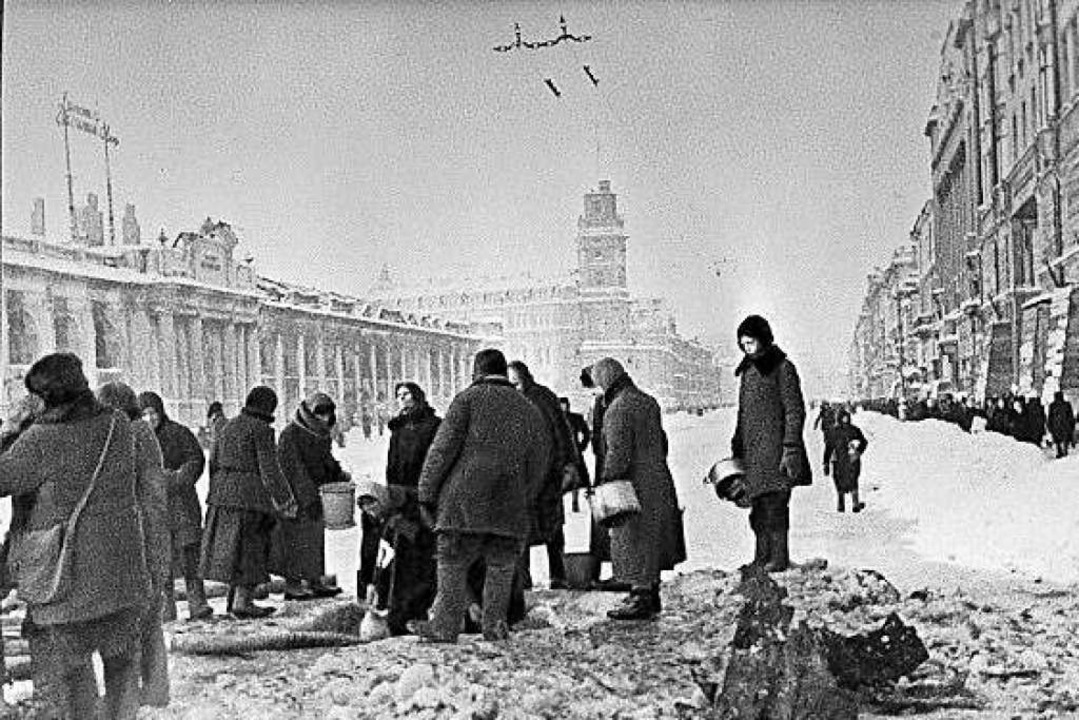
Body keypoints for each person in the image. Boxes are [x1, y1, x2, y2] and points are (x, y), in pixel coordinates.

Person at [0, 353, 152, 719]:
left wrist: (10, 430)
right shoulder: (117, 426)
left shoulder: (40, 439)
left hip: (65, 584)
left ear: (47, 397)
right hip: (122, 578)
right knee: (120, 675)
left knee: (64, 682)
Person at [412, 348, 548, 642]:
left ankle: (445, 627)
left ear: (478, 371)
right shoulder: (528, 408)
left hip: (462, 503)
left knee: (451, 561)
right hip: (509, 505)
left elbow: (442, 450)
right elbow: (540, 461)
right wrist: (524, 495)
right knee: (500, 566)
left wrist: (426, 493)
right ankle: (495, 624)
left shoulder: (468, 400)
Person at [590, 357, 686, 620]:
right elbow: (662, 442)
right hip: (657, 479)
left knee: (634, 539)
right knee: (651, 539)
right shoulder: (647, 401)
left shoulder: (617, 409)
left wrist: (606, 482)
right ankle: (650, 592)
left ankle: (640, 596)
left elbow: (618, 454)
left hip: (633, 485)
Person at [99, 383, 171, 708]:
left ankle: (129, 694)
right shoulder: (142, 434)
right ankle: (155, 689)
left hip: (138, 542)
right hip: (151, 539)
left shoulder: (129, 437)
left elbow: (140, 496)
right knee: (149, 620)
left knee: (129, 623)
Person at [201, 386, 298, 619]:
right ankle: (243, 602)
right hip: (249, 497)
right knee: (250, 549)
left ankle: (233, 600)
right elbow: (270, 470)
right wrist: (286, 500)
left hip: (222, 495)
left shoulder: (227, 426)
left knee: (232, 550)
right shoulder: (261, 429)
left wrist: (216, 491)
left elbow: (213, 461)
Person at [730, 315, 811, 573]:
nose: (746, 348)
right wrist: (737, 444)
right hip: (753, 454)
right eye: (743, 344)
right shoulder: (747, 371)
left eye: (750, 342)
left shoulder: (783, 368)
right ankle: (760, 555)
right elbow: (744, 413)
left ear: (763, 339)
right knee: (757, 509)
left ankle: (778, 556)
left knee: (775, 506)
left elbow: (794, 410)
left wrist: (791, 448)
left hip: (777, 453)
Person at [137, 391, 212, 621]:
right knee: (161, 561)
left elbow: (195, 459)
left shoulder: (178, 433)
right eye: (145, 414)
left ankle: (197, 603)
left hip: (182, 506)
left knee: (190, 556)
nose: (150, 418)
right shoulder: (137, 439)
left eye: (153, 413)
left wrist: (179, 478)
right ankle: (165, 608)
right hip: (154, 509)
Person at [507, 361, 576, 590]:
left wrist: (568, 464)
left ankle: (558, 575)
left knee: (553, 528)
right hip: (522, 477)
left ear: (526, 378)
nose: (514, 387)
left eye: (516, 383)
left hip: (548, 474)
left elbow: (562, 433)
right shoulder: (510, 402)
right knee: (521, 528)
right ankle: (523, 579)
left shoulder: (544, 398)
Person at [272, 392, 347, 601]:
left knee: (314, 541)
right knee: (294, 542)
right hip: (295, 499)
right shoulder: (291, 434)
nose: (325, 418)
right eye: (320, 413)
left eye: (328, 413)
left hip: (315, 495)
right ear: (310, 413)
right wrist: (307, 497)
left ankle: (314, 580)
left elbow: (325, 460)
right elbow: (293, 469)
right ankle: (293, 585)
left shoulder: (320, 434)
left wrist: (338, 473)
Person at [828, 409, 868, 513]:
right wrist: (825, 462)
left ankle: (852, 504)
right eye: (844, 418)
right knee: (844, 480)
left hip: (847, 460)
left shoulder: (851, 430)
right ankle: (844, 503)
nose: (845, 420)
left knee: (848, 479)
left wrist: (857, 452)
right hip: (843, 460)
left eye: (846, 418)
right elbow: (829, 447)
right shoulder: (836, 431)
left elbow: (864, 442)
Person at [559, 397, 592, 511]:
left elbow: (586, 433)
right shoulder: (556, 419)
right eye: (561, 405)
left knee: (576, 479)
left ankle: (575, 502)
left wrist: (582, 446)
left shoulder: (575, 418)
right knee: (562, 479)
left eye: (565, 405)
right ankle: (561, 502)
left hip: (574, 452)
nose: (564, 408)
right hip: (561, 453)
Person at [1048, 391, 1077, 459]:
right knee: (1065, 439)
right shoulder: (1066, 404)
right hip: (1065, 425)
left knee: (1058, 440)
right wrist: (1072, 425)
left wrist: (1050, 426)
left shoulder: (1052, 405)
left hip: (1056, 426)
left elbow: (1050, 417)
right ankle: (1064, 452)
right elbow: (1070, 416)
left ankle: (1060, 452)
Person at [812, 401, 836, 475]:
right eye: (824, 405)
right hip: (826, 431)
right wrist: (815, 425)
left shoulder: (832, 411)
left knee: (834, 445)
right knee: (828, 446)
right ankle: (826, 464)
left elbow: (836, 419)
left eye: (826, 405)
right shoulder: (822, 412)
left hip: (833, 431)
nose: (825, 406)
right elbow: (818, 419)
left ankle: (834, 461)